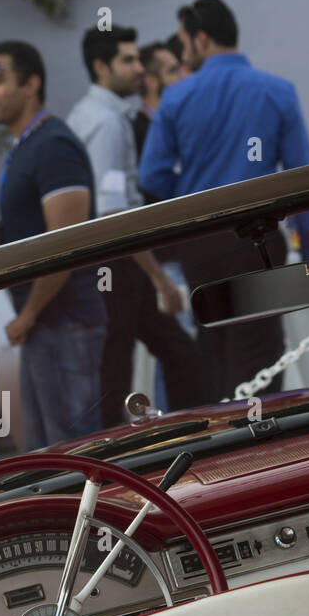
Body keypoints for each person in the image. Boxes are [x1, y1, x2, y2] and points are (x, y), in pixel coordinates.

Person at [139, 0, 309, 401]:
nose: (184, 52)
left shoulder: (175, 98)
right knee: (261, 364)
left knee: (216, 355)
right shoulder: (277, 90)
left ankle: (222, 456)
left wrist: (189, 207)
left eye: (184, 44)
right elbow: (304, 179)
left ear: (201, 39)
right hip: (259, 244)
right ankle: (260, 456)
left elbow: (150, 173)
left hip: (200, 246)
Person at [66, 25, 206, 422]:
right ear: (100, 67)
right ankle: (123, 458)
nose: (137, 68)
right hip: (115, 260)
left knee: (164, 357)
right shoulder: (106, 122)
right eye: (126, 60)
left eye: (135, 58)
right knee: (118, 369)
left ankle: (182, 435)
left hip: (116, 260)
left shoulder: (94, 114)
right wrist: (158, 277)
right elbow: (113, 214)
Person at [0, 40, 107, 449]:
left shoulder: (53, 144)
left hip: (64, 321)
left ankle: (102, 516)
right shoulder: (26, 147)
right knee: (49, 453)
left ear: (31, 83)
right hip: (47, 324)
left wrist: (28, 313)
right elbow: (37, 237)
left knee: (76, 453)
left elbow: (65, 244)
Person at [133, 39, 184, 159]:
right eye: (173, 71)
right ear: (151, 82)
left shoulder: (175, 124)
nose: (182, 77)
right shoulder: (140, 135)